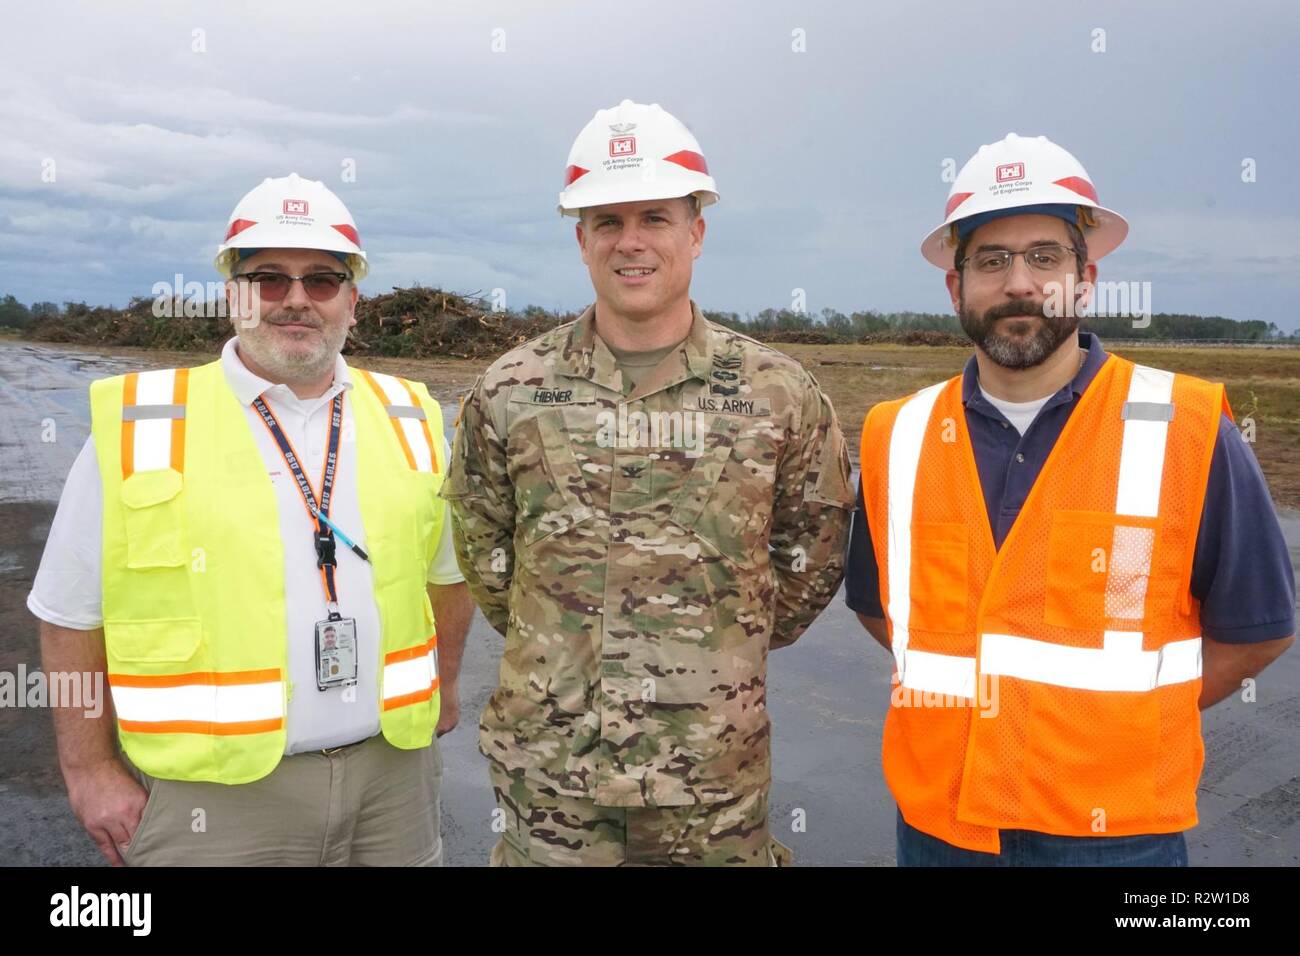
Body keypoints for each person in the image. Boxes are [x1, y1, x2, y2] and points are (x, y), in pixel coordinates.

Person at [846, 133, 1296, 866]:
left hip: (1115, 840)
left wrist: (1120, 722)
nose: (1019, 283)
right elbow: (880, 610)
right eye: (991, 260)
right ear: (955, 287)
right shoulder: (894, 434)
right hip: (940, 830)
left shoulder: (1187, 427)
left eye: (1044, 258)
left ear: (1084, 282)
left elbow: (1258, 631)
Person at [444, 100, 855, 866]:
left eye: (656, 218)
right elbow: (490, 564)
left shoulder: (778, 392)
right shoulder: (510, 391)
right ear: (582, 240)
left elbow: (808, 567)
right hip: (552, 787)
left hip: (711, 787)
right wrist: (567, 647)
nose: (631, 242)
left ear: (696, 231)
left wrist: (719, 650)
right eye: (608, 221)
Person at [30, 173, 473, 866]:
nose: (296, 299)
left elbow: (450, 577)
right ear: (232, 294)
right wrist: (88, 771)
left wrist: (443, 688)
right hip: (217, 801)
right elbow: (67, 613)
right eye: (268, 278)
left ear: (352, 301)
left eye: (322, 280)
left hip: (392, 782)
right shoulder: (144, 423)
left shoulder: (411, 416)